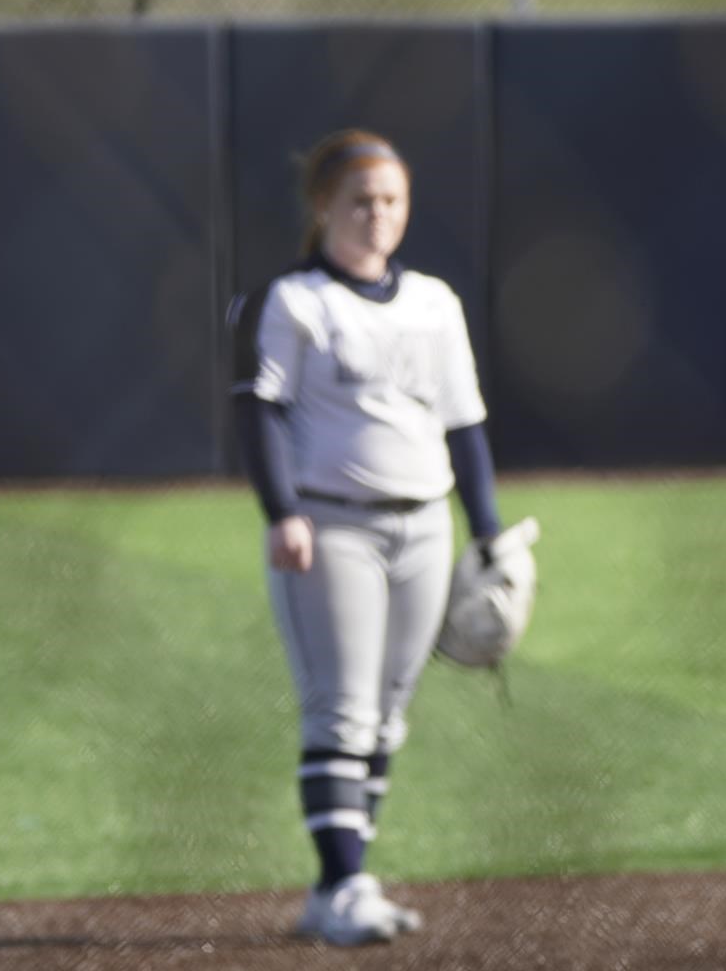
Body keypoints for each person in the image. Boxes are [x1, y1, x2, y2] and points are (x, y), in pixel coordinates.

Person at [229, 129, 507, 947]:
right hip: (330, 525)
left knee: (388, 715)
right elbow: (260, 410)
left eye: (391, 201)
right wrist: (282, 511)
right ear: (323, 207)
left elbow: (467, 425)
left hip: (422, 525)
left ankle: (335, 890)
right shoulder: (295, 301)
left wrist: (486, 534)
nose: (378, 216)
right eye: (361, 201)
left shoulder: (434, 303)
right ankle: (349, 882)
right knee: (343, 710)